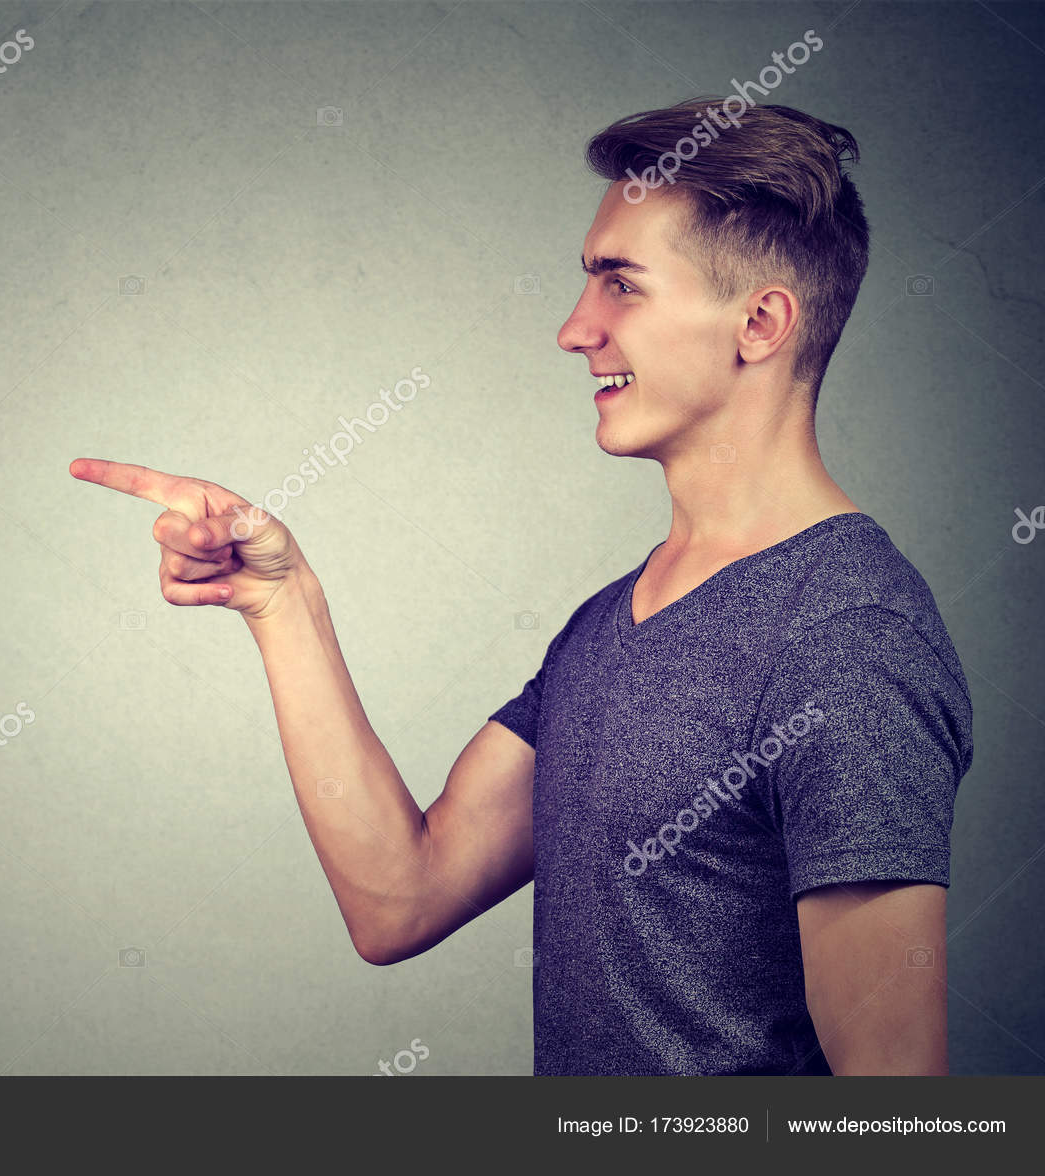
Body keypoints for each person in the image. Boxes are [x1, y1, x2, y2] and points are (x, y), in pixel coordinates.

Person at [68, 97, 973, 1076]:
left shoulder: (849, 636)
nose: (574, 329)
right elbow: (399, 899)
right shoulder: (610, 622)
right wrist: (281, 603)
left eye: (620, 285)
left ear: (758, 322)